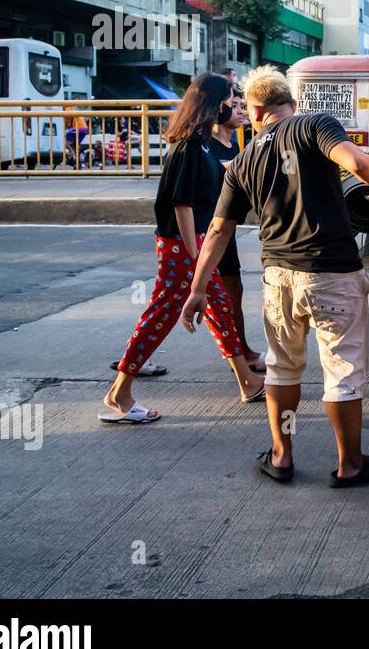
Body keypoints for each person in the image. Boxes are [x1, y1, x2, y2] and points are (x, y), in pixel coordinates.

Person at [180, 65, 369, 488]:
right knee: (342, 369)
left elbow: (217, 230)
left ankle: (282, 456)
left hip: (278, 278)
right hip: (332, 272)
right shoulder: (313, 125)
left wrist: (197, 289)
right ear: (293, 104)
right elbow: (357, 163)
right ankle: (350, 464)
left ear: (255, 110)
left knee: (283, 368)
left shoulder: (242, 162)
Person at [100, 73, 265, 425]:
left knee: (220, 308)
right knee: (161, 315)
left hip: (198, 243)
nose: (232, 104)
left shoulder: (204, 142)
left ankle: (247, 381)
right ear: (212, 103)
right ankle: (120, 391)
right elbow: (182, 204)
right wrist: (195, 257)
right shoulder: (189, 145)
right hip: (182, 245)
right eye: (228, 99)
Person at [208, 85, 264, 371]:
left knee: (233, 291)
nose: (242, 111)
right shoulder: (201, 144)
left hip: (224, 229)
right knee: (176, 302)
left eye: (243, 105)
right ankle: (135, 358)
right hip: (205, 231)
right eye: (236, 105)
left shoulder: (234, 144)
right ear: (218, 108)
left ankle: (241, 351)